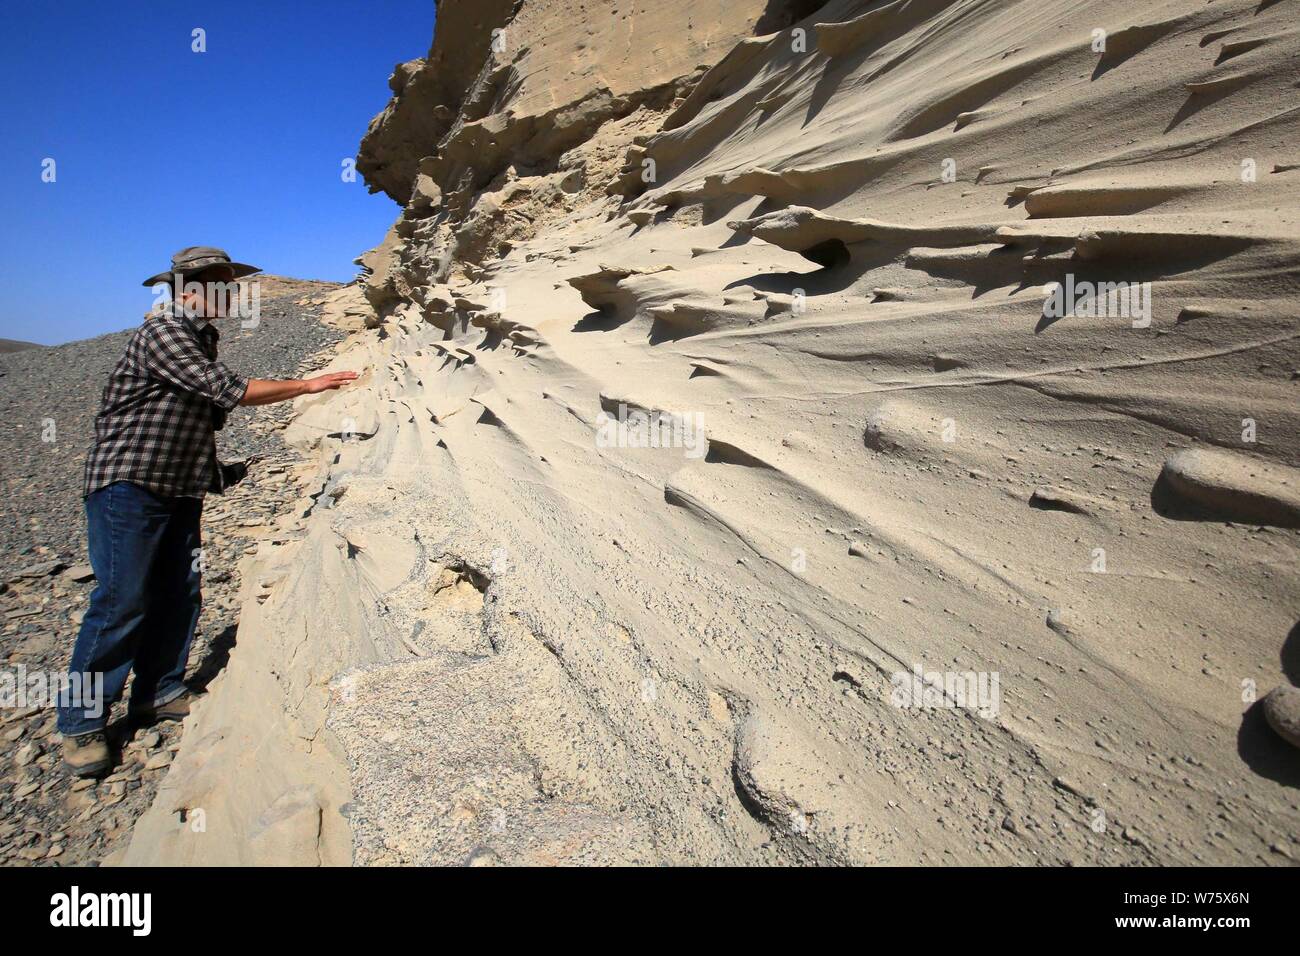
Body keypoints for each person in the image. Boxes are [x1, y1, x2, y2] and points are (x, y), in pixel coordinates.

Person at [58, 246, 358, 776]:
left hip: (180, 486)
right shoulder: (166, 331)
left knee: (179, 591)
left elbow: (195, 414)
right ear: (189, 288)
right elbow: (227, 392)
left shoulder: (202, 336)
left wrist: (216, 472)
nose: (234, 294)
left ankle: (160, 691)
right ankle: (82, 724)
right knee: (120, 599)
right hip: (128, 485)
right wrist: (310, 384)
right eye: (224, 284)